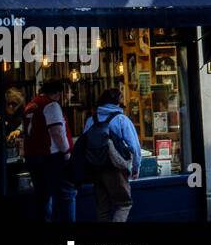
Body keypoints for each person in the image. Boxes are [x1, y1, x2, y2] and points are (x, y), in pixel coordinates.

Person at [75, 88, 142, 223]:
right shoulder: (121, 120)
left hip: (96, 169)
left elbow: (84, 144)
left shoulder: (90, 120)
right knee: (124, 204)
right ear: (117, 102)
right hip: (116, 169)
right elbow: (134, 147)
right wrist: (136, 168)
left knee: (103, 208)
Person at [23, 80, 74, 223]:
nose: (71, 95)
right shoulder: (51, 105)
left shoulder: (32, 104)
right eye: (69, 92)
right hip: (50, 157)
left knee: (43, 195)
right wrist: (66, 153)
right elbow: (57, 131)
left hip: (33, 156)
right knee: (66, 193)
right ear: (58, 93)